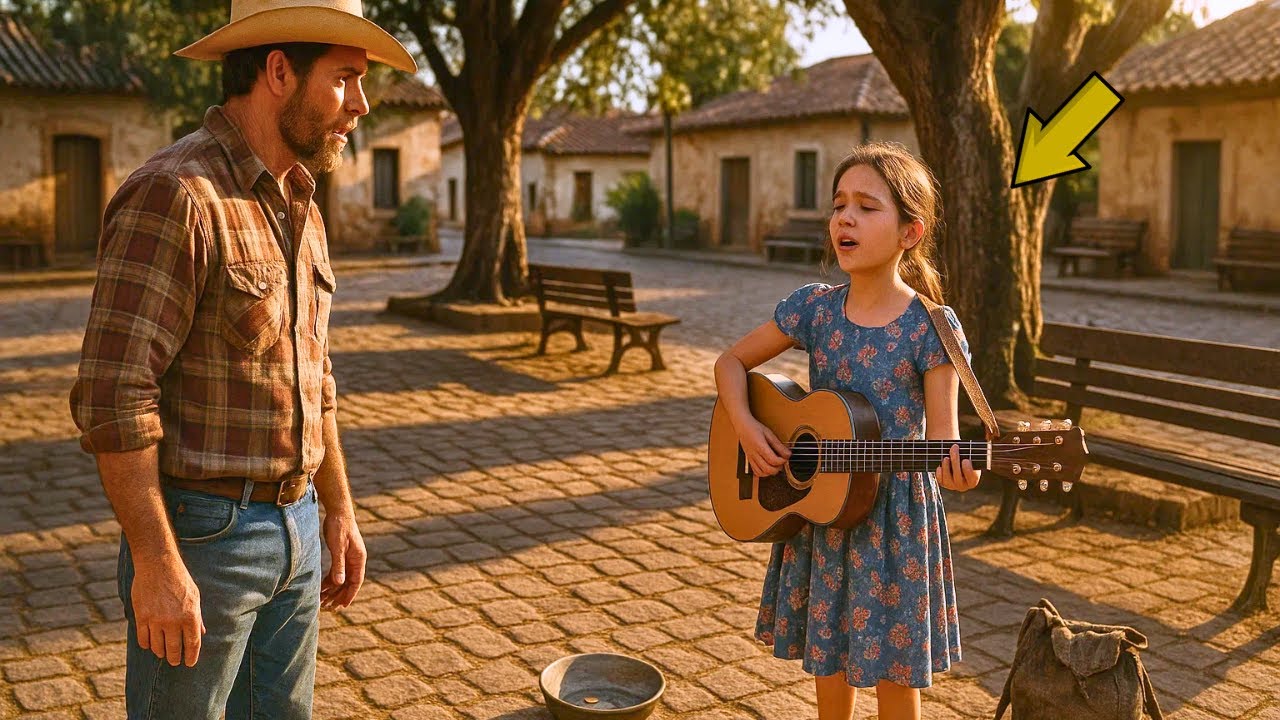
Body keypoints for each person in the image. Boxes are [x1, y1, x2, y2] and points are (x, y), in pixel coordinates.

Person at [67, 2, 417, 717]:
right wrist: (158, 563)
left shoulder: (302, 203)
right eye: (346, 79)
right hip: (202, 541)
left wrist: (338, 510)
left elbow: (315, 376)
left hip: (299, 531)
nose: (362, 104)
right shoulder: (175, 195)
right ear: (280, 71)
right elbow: (114, 395)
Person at [712, 142, 982, 720]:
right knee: (829, 658)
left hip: (894, 522)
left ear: (911, 232)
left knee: (893, 671)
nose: (845, 219)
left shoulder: (931, 325)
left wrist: (958, 476)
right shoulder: (815, 310)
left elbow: (945, 443)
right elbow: (730, 363)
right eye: (839, 205)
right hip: (824, 513)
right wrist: (748, 423)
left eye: (866, 206)